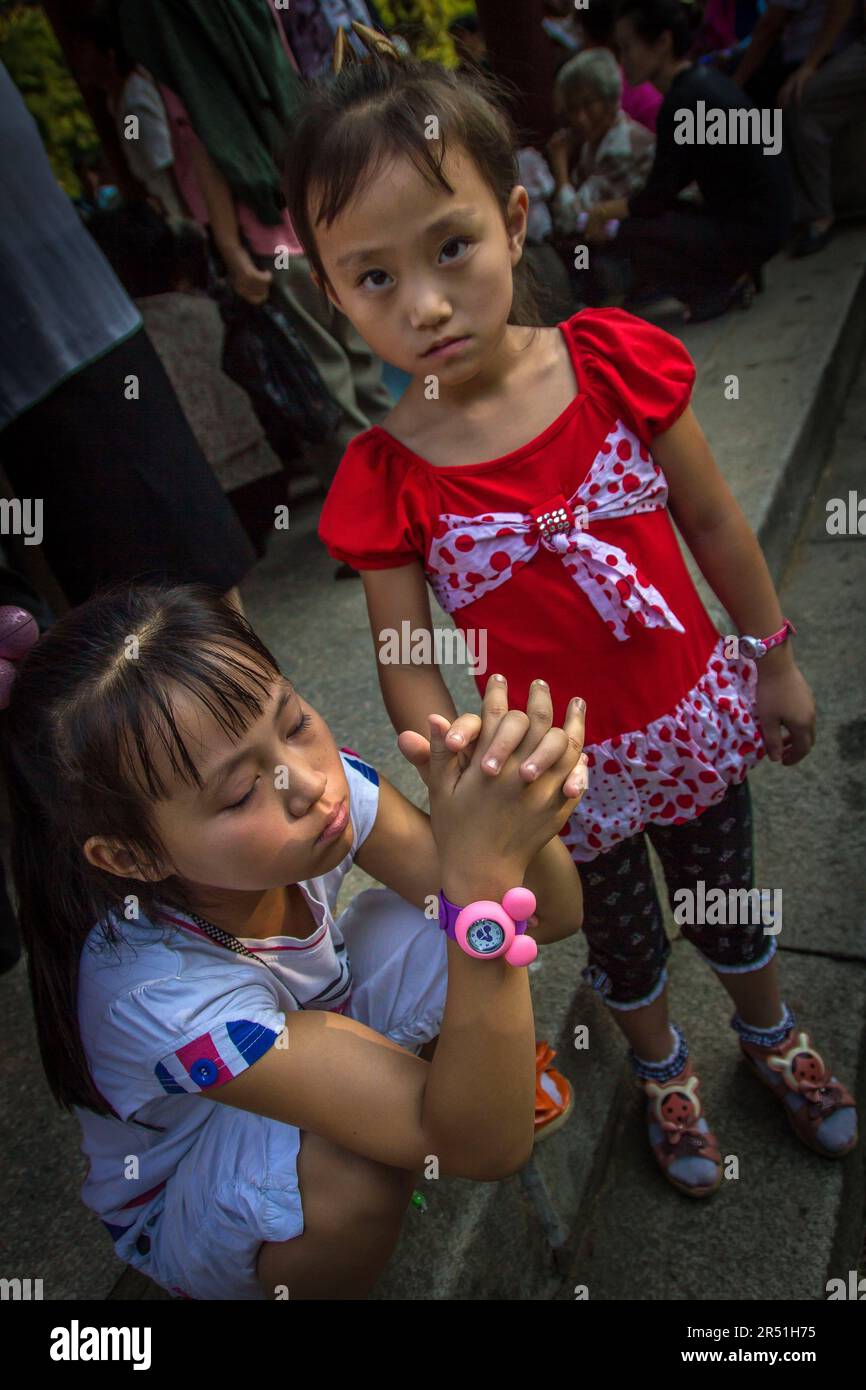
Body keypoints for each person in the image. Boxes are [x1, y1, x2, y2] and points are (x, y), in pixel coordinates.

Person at [284, 42, 858, 1196]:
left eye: (450, 248)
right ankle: (662, 1068)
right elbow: (407, 657)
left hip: (687, 717)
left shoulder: (607, 366)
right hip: (555, 772)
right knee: (621, 935)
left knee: (722, 892)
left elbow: (706, 517)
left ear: (510, 216)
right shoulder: (386, 473)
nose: (428, 304)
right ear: (331, 293)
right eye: (375, 277)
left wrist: (772, 659)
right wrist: (461, 783)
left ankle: (769, 1031)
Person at [0, 583, 585, 1299]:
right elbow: (488, 1148)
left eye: (295, 720)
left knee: (436, 923)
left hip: (305, 1046)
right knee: (357, 1171)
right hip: (192, 1194)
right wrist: (486, 874)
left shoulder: (317, 801)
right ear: (132, 859)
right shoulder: (155, 997)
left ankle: (449, 1091)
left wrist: (513, 795)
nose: (308, 782)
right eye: (241, 794)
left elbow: (553, 915)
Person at [0, 61, 253, 614]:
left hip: (70, 336)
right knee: (101, 625)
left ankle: (260, 693)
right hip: (59, 346)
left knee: (178, 578)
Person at [580, 0, 794, 321]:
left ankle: (719, 286)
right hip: (765, 220)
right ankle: (736, 273)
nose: (623, 62)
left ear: (663, 42)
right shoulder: (702, 81)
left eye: (627, 48)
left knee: (631, 230)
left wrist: (601, 213)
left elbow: (655, 197)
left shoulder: (683, 101)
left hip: (754, 229)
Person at [731, 0, 866, 255]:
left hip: (823, 52)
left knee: (796, 101)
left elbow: (771, 24)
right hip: (813, 50)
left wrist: (736, 82)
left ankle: (815, 214)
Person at [549, 48, 655, 237]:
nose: (580, 118)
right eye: (573, 109)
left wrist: (560, 166)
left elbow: (572, 221)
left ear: (610, 99)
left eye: (589, 105)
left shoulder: (621, 149)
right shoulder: (595, 141)